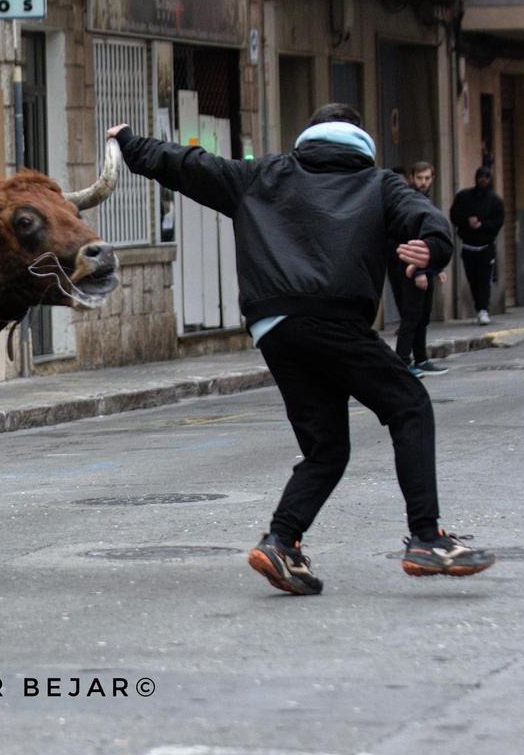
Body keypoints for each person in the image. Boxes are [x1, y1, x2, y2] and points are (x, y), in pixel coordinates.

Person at [108, 104, 495, 595]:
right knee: (409, 404)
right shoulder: (380, 184)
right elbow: (427, 219)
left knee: (327, 447)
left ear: (308, 138)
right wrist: (433, 248)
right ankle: (426, 538)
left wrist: (131, 143)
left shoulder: (263, 174)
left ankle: (281, 542)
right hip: (334, 317)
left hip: (275, 327)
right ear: (362, 141)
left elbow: (193, 166)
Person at [389, 162, 448, 377]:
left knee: (423, 315)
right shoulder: (410, 201)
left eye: (428, 178)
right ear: (412, 178)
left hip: (426, 266)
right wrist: (419, 272)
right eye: (420, 178)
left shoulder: (425, 200)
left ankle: (421, 358)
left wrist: (437, 266)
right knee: (411, 315)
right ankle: (403, 361)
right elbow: (411, 237)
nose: (424, 182)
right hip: (410, 267)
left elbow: (431, 236)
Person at [450, 166, 504, 325]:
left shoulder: (495, 201)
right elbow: (455, 215)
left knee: (484, 279)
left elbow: (498, 222)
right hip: (468, 246)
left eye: (487, 177)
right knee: (472, 279)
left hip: (486, 247)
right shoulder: (464, 197)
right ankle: (479, 307)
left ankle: (483, 309)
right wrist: (468, 221)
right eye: (481, 176)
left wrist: (482, 225)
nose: (483, 180)